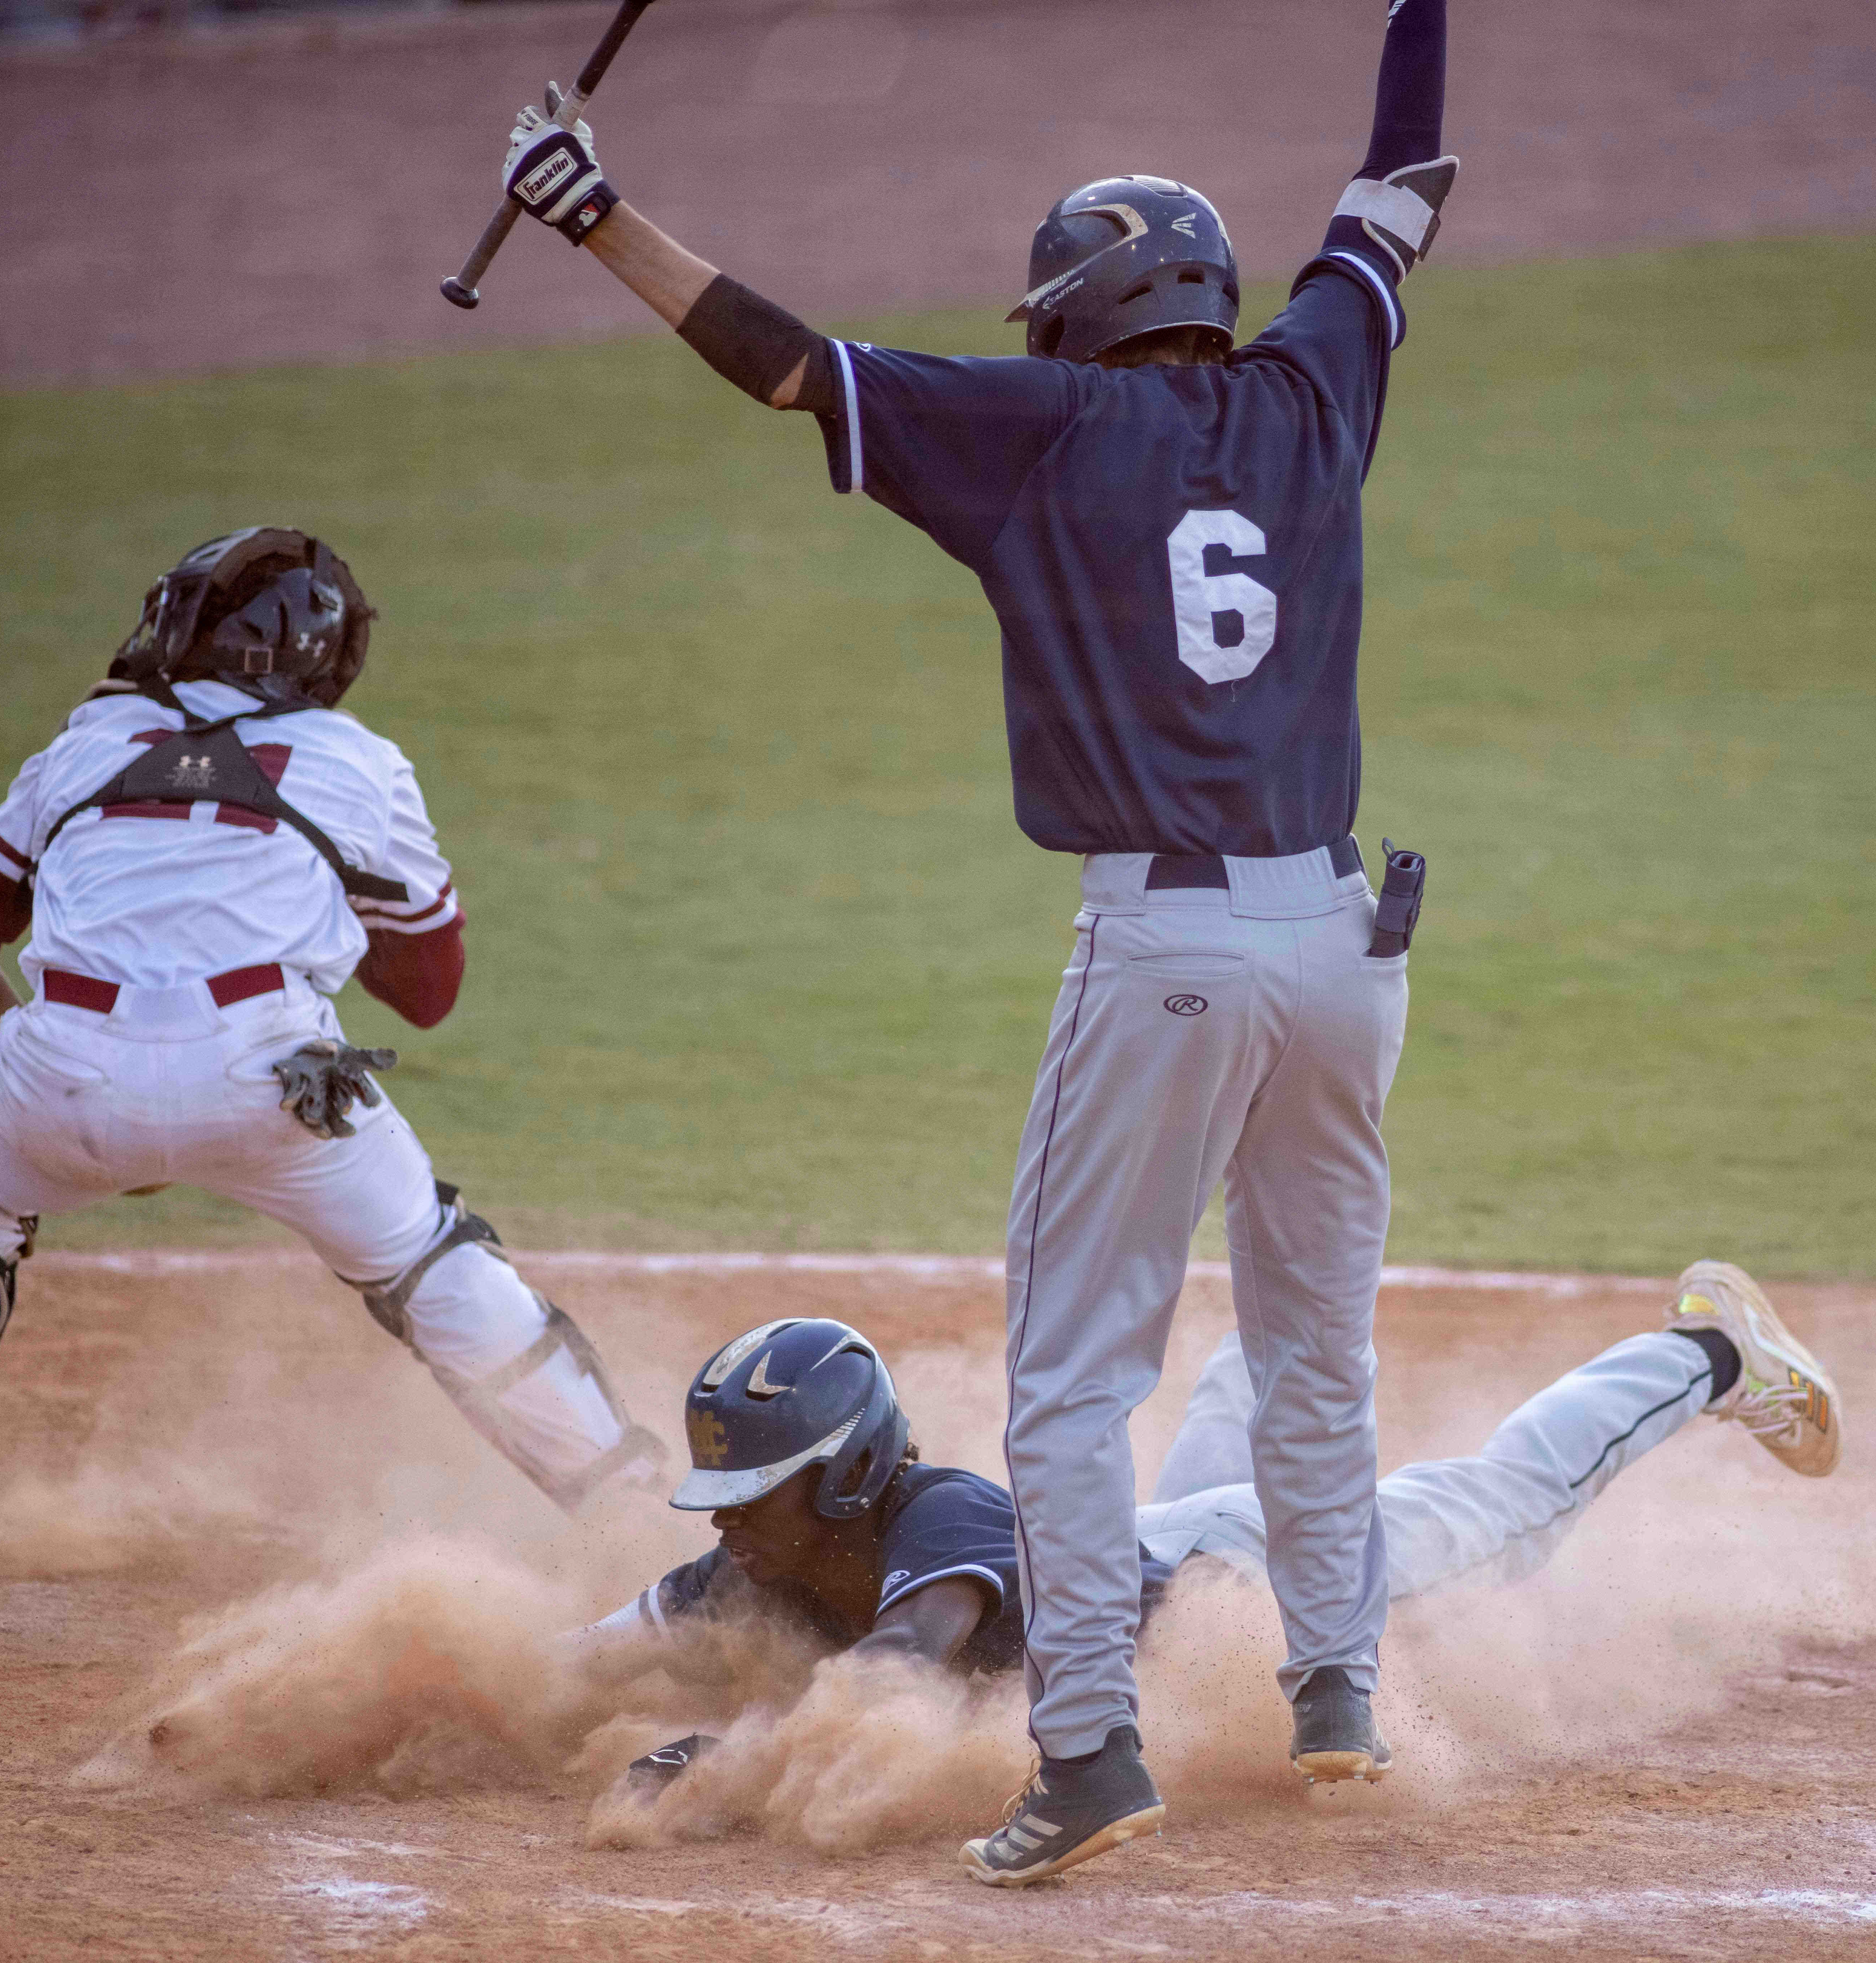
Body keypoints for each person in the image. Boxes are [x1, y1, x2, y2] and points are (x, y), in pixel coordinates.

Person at [488, 0, 1463, 1877]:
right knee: (1313, 1328)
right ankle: (1336, 1678)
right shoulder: (1320, 378)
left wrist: (587, 210)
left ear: (1078, 317)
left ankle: (1086, 1748)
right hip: (1347, 944)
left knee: (1079, 1377)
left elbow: (785, 365)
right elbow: (1398, 184)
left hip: (1167, 947)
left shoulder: (1030, 425)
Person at [0, 527, 659, 1567]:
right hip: (275, 1078)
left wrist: (78, 1093)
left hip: (62, 1061)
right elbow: (428, 995)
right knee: (429, 1265)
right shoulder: (363, 763)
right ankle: (627, 1502)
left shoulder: (84, 745)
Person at [565, 1265, 1840, 1883]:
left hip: (1254, 1579)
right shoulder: (764, 1556)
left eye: (753, 1492)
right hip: (1162, 1547)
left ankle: (1712, 1355)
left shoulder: (939, 1524)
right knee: (1209, 1477)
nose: (727, 1522)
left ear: (844, 1477)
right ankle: (1290, 1330)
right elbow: (576, 1652)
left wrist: (724, 1756)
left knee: (1502, 1519)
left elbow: (891, 1678)